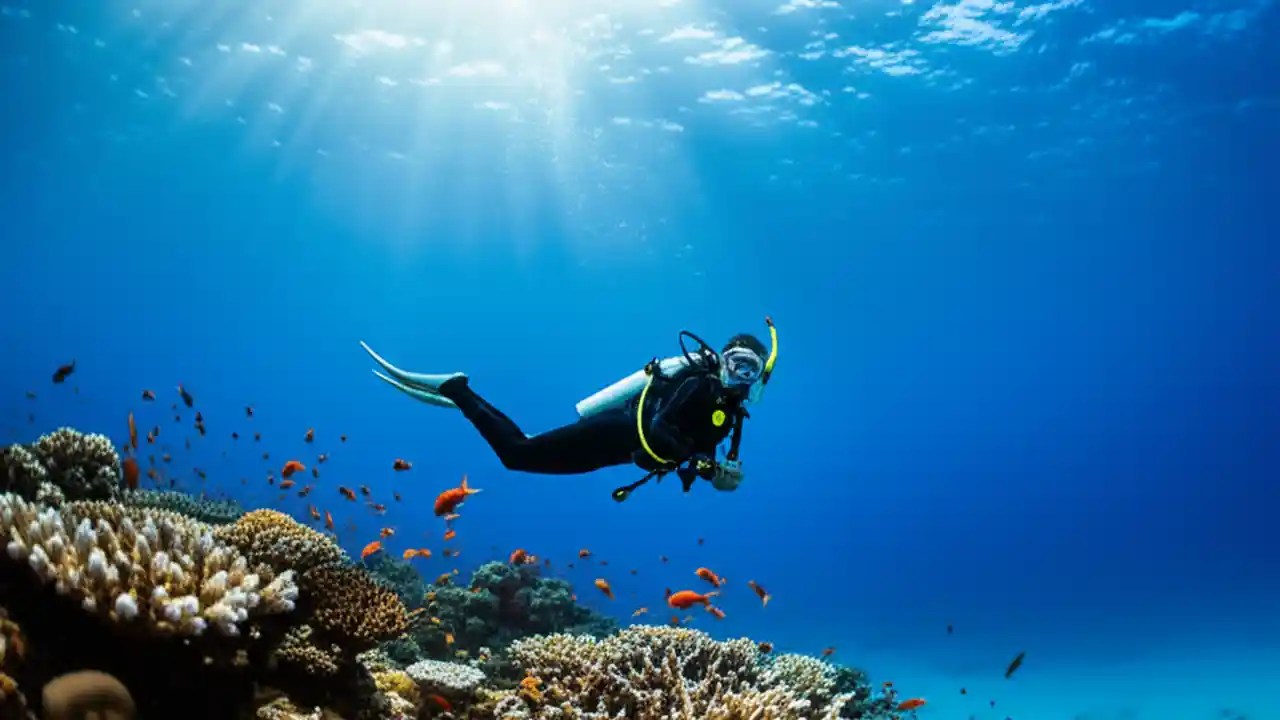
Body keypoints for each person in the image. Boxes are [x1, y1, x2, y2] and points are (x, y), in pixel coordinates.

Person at [359, 318, 778, 500]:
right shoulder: (698, 383)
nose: (739, 374)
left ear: (758, 377)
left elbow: (694, 447)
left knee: (521, 455)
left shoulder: (734, 414)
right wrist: (702, 466)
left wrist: (717, 474)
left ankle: (461, 400)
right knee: (517, 455)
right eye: (735, 362)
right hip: (615, 432)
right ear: (722, 359)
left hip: (615, 455)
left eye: (749, 369)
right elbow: (660, 426)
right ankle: (458, 389)